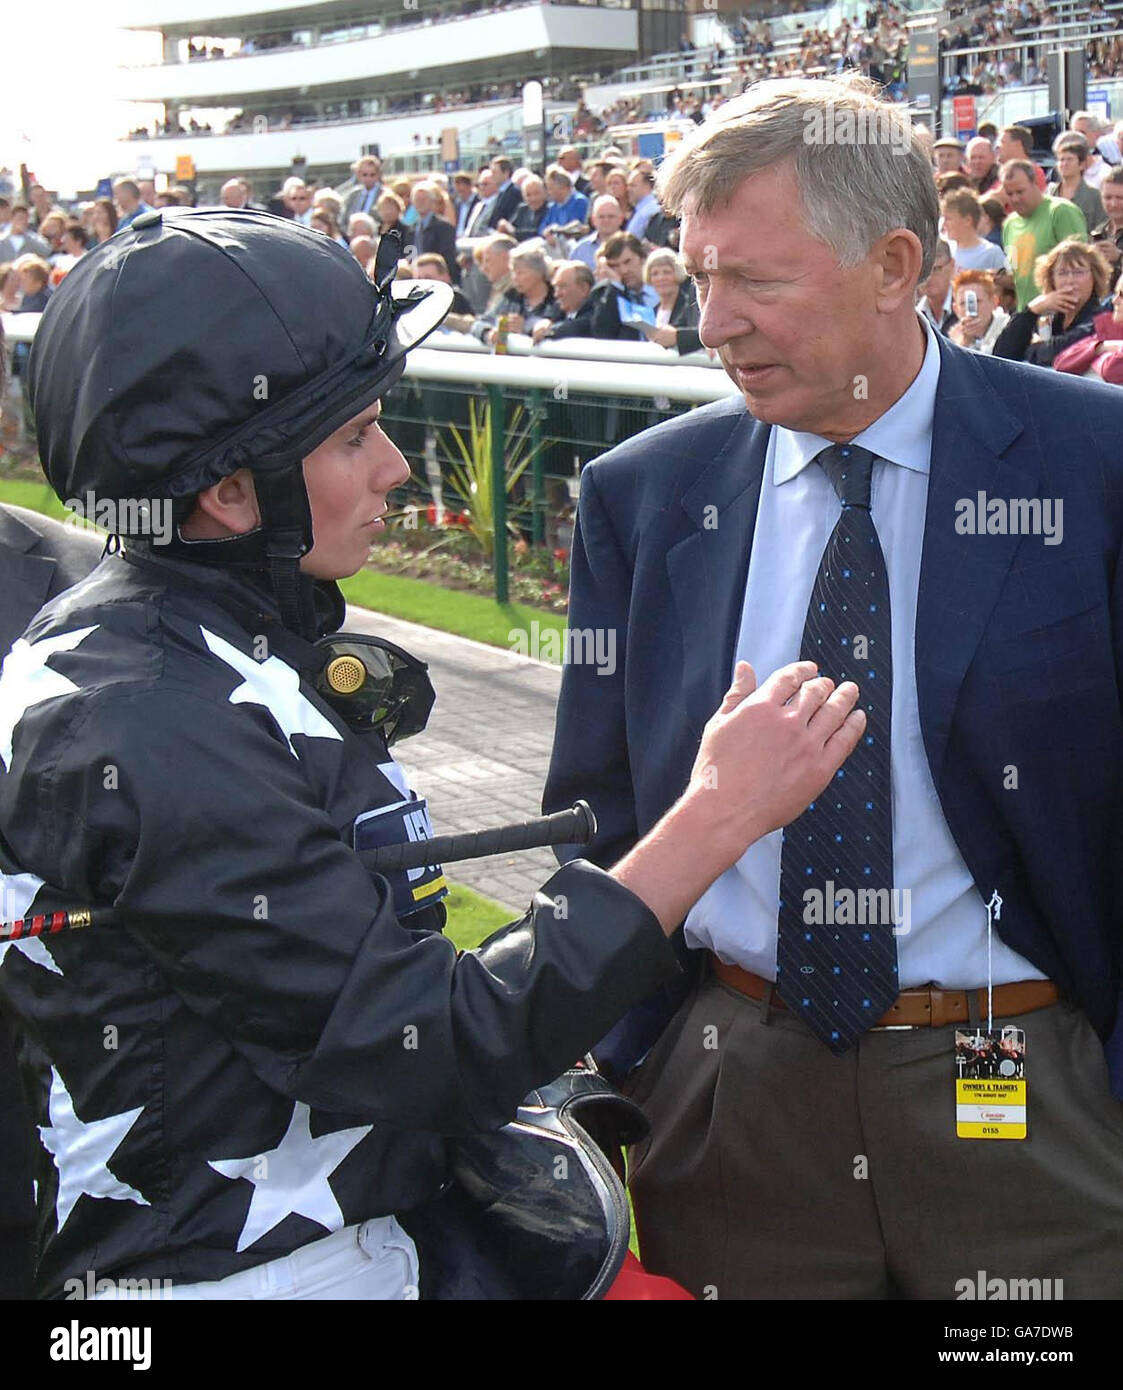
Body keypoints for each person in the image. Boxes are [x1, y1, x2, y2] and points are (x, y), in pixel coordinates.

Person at [0, 207, 864, 1300]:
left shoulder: (192, 634)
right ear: (229, 491)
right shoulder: (141, 721)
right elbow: (421, 1043)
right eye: (355, 436)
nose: (398, 467)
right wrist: (713, 819)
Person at [543, 73, 1123, 1301]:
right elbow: (597, 814)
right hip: (732, 1103)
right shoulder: (643, 495)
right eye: (699, 277)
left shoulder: (1095, 464)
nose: (712, 324)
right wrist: (638, 1065)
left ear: (894, 262)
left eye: (754, 280)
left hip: (1027, 1094)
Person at [992, 237, 1109, 366]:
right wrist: (1031, 311)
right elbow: (1002, 355)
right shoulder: (1047, 316)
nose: (1070, 280)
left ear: (1094, 277)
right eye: (1062, 273)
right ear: (1051, 278)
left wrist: (1033, 348)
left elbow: (1058, 352)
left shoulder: (1103, 319)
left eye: (1078, 272)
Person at [1001, 159, 1087, 310]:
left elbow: (1081, 265)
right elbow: (1014, 273)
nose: (1015, 199)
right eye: (1009, 193)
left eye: (1020, 192)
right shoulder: (1010, 224)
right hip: (1026, 315)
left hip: (1060, 314)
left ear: (1035, 184)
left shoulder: (1060, 212)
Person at [589, 231, 659, 341]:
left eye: (628, 262)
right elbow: (602, 333)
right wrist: (616, 285)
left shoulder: (665, 285)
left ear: (642, 258)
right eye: (615, 266)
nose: (624, 270)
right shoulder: (607, 294)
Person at [637, 247, 701, 354]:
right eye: (655, 273)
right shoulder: (651, 311)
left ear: (677, 273)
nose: (661, 278)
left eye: (666, 272)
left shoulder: (690, 306)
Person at [1047, 134, 1106, 231]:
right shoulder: (1050, 193)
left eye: (1069, 159)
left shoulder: (1094, 195)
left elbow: (1102, 227)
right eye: (1061, 160)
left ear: (1081, 165)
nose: (1064, 164)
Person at [942, 189, 1007, 274]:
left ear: (967, 220)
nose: (944, 224)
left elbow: (1003, 283)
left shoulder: (991, 253)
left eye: (948, 219)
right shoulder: (946, 250)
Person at [946, 269, 1009, 354]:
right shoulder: (952, 337)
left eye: (977, 301)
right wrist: (964, 342)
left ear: (994, 302)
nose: (970, 309)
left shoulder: (1008, 328)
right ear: (955, 309)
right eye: (963, 303)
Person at [531, 260, 595, 343]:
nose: (556, 294)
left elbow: (573, 329)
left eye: (562, 286)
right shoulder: (558, 310)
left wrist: (547, 331)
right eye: (556, 288)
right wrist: (543, 324)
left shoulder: (594, 312)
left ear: (584, 289)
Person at [411, 183, 459, 283]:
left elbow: (448, 257)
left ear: (432, 202)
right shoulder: (410, 228)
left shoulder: (444, 226)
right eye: (417, 199)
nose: (420, 202)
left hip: (435, 278)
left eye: (424, 199)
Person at [1090, 166, 1123, 292]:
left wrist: (1119, 258)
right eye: (1108, 198)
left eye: (1120, 198)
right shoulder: (1099, 231)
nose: (1113, 204)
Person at [571, 194, 625, 270]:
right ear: (593, 220)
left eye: (611, 216)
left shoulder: (632, 246)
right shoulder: (580, 250)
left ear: (621, 219)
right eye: (601, 217)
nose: (606, 221)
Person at [916, 239, 957, 334]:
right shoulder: (914, 314)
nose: (928, 277)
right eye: (923, 272)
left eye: (935, 269)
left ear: (952, 266)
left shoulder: (965, 306)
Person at [343, 155, 384, 222]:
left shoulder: (383, 195)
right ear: (358, 175)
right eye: (364, 175)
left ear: (378, 175)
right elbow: (344, 219)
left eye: (372, 175)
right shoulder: (353, 195)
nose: (368, 178)